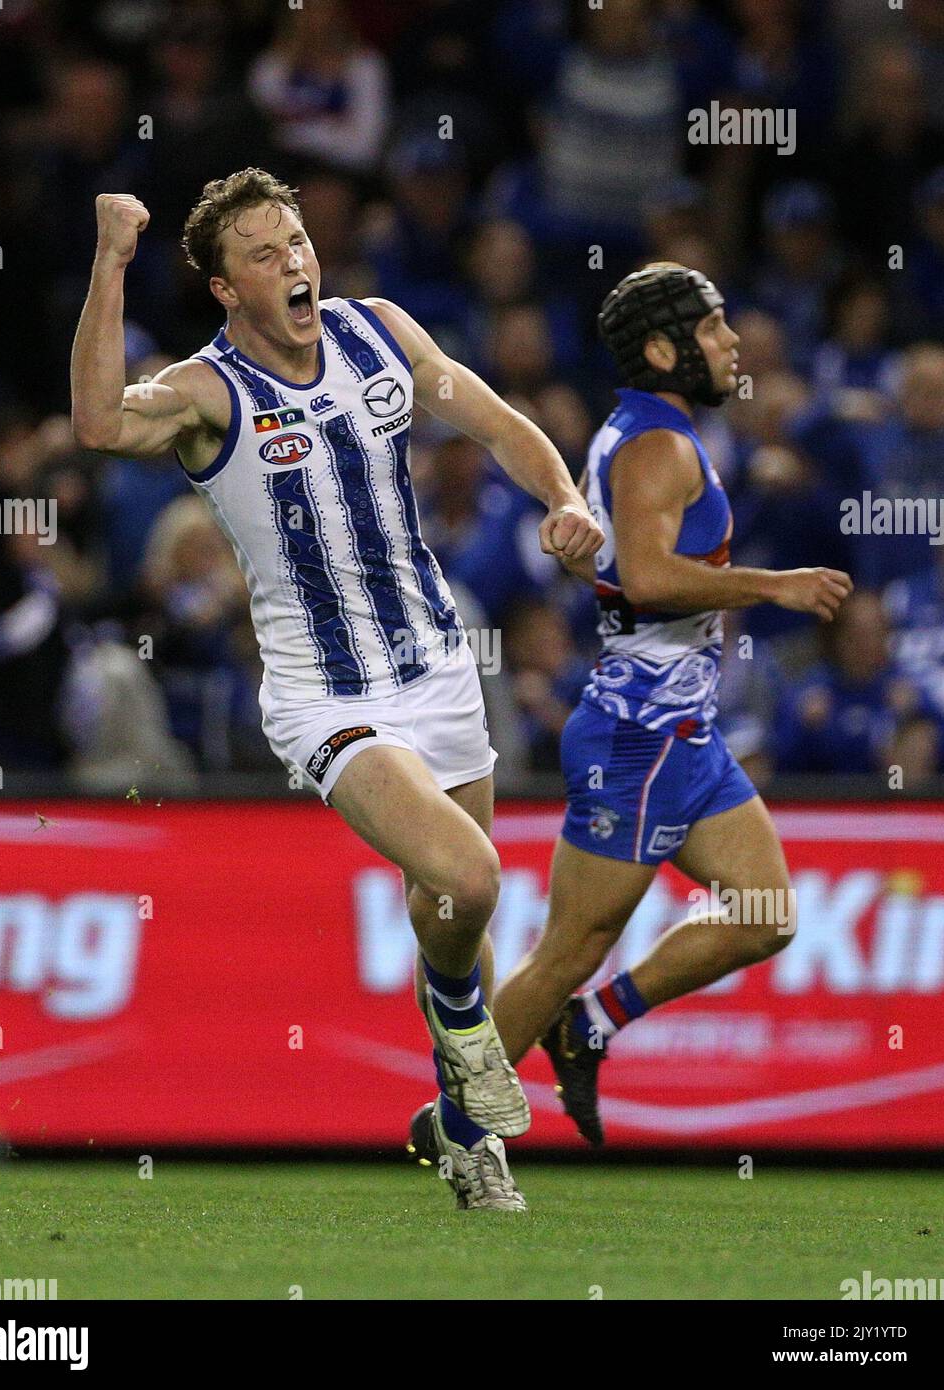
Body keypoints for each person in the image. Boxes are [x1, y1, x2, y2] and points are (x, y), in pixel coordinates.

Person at [70, 168, 603, 1208]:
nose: (295, 263)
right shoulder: (205, 392)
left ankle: (460, 1134)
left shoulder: (380, 333)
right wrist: (111, 260)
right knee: (473, 873)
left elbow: (496, 421)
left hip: (442, 669)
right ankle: (462, 1037)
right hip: (328, 697)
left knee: (452, 905)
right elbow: (94, 422)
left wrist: (567, 497)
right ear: (228, 289)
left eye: (298, 241)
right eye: (265, 255)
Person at [416, 263, 852, 1153]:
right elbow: (649, 578)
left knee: (766, 913)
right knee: (567, 950)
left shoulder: (640, 432)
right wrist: (775, 585)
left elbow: (612, 571)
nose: (733, 344)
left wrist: (585, 558)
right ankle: (457, 1123)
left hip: (681, 732)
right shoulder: (661, 444)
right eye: (717, 327)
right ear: (664, 348)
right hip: (638, 737)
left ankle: (594, 1026)